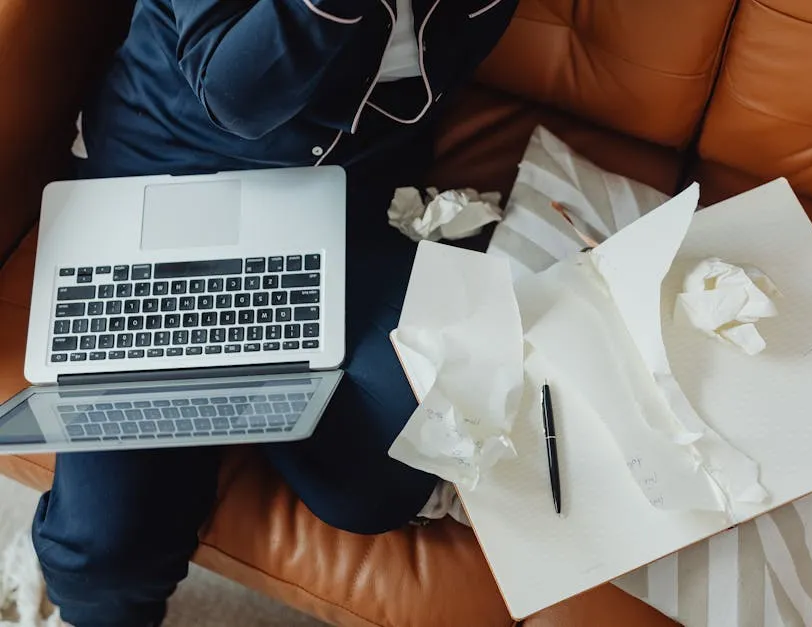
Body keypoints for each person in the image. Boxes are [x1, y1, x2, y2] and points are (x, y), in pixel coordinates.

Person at [31, 1, 518, 625]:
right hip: (164, 176)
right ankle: (200, 401)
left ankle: (221, 383)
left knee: (377, 492)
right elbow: (239, 96)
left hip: (336, 201)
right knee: (105, 554)